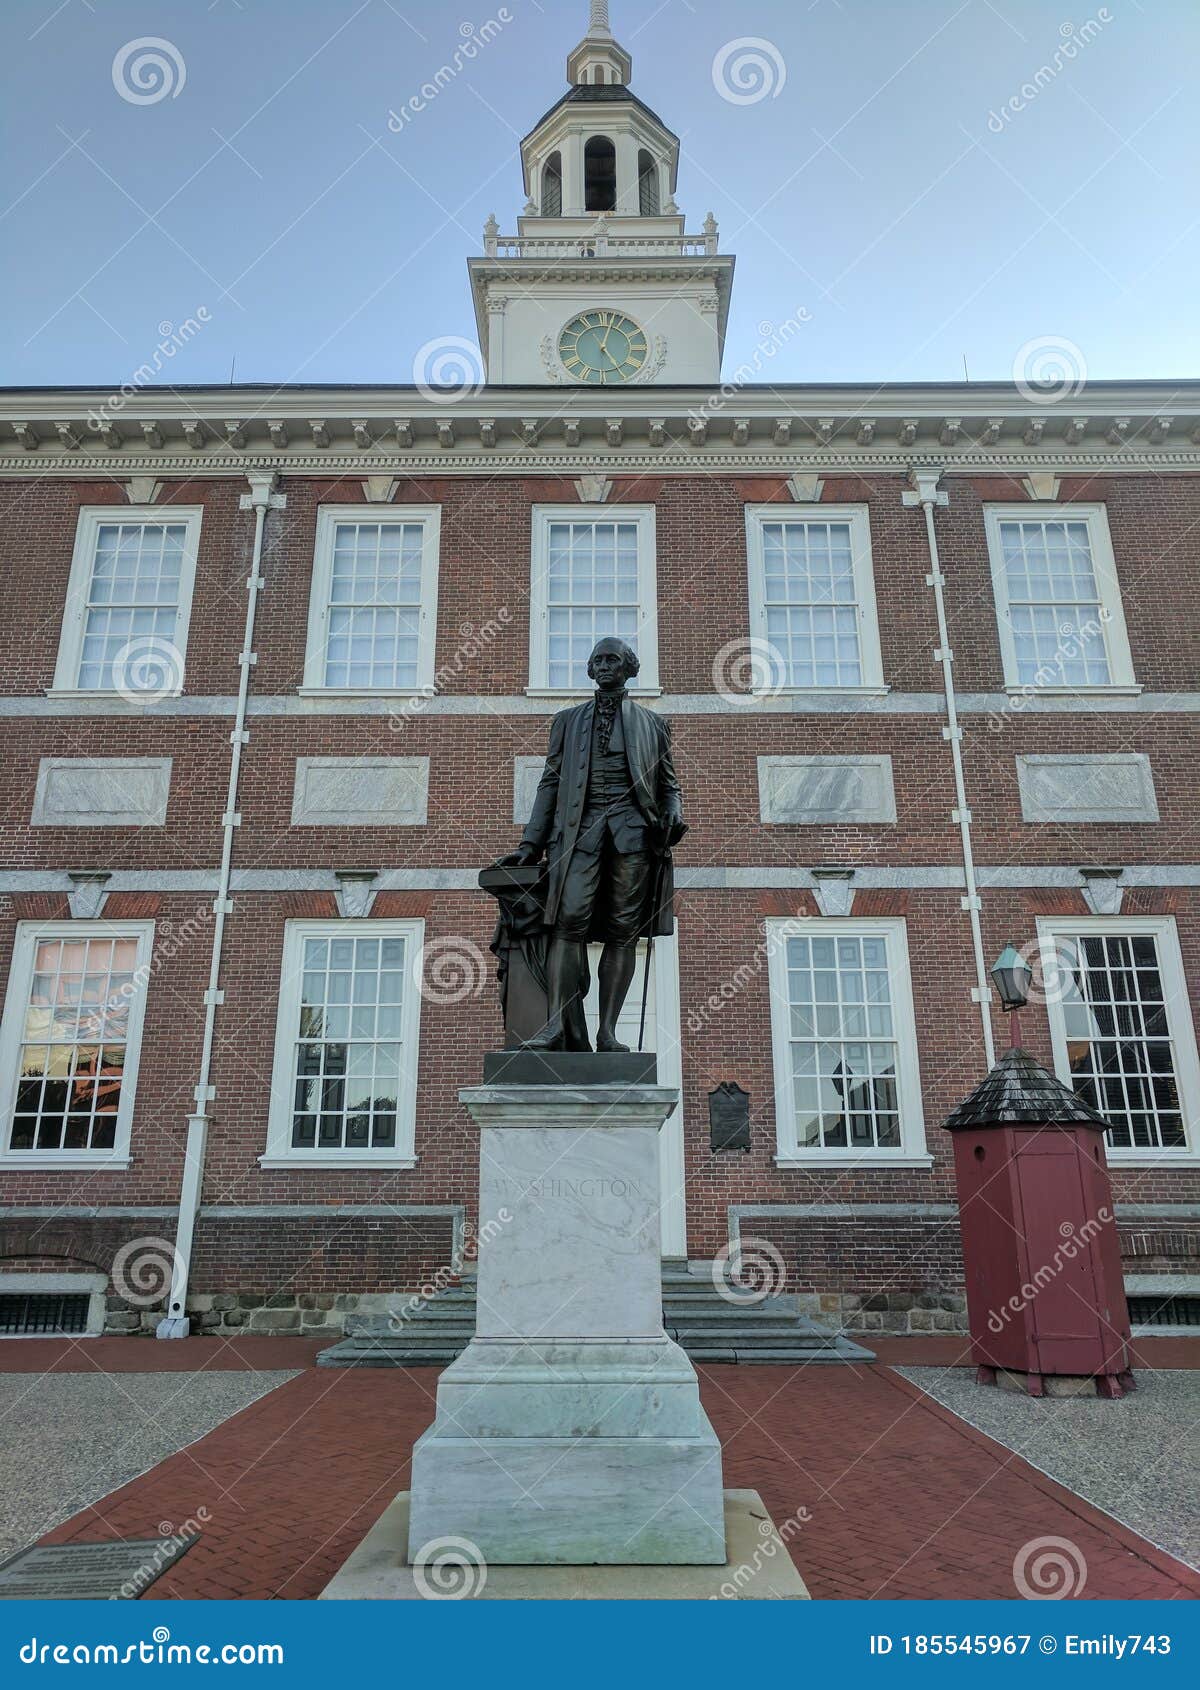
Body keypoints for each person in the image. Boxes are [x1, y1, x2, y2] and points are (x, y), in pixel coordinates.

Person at [502, 636, 686, 1051]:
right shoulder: (567, 721)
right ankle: (556, 1027)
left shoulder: (654, 724)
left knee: (623, 932)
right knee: (567, 925)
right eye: (598, 660)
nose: (604, 666)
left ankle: (608, 1033)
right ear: (590, 669)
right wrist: (531, 843)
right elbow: (550, 782)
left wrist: (673, 810)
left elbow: (669, 785)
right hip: (579, 834)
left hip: (633, 836)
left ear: (628, 668)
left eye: (613, 660)